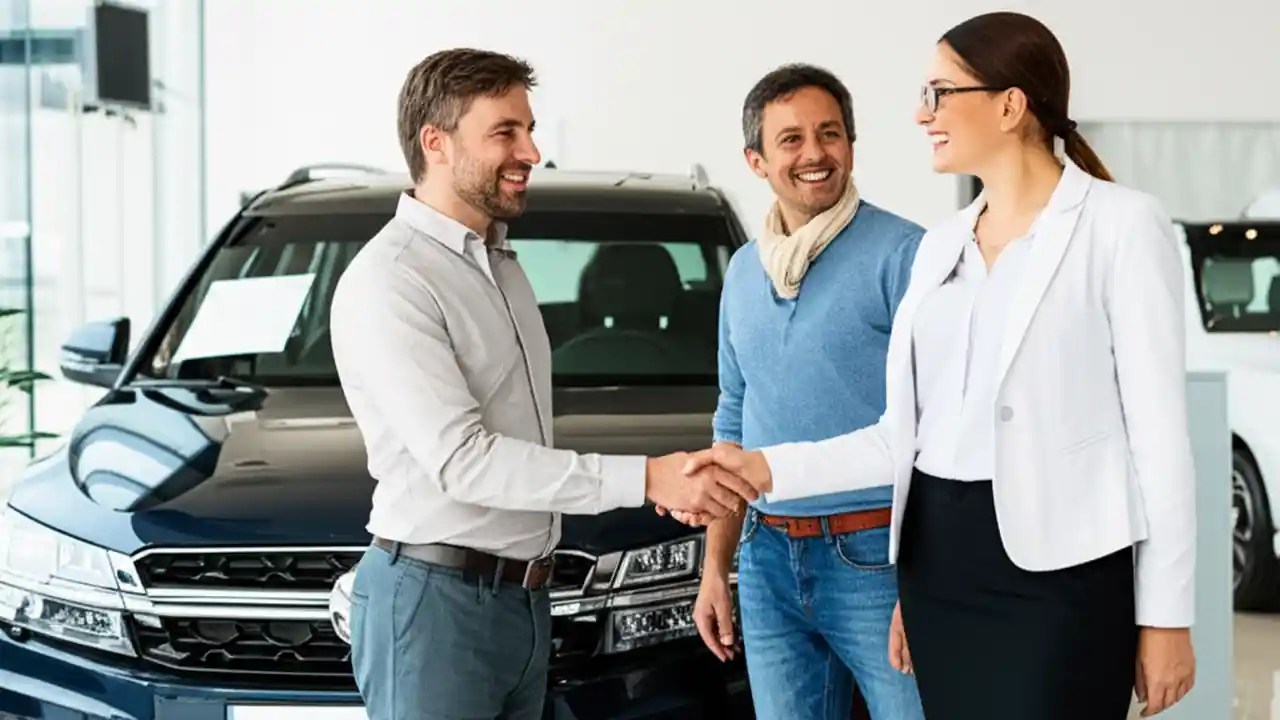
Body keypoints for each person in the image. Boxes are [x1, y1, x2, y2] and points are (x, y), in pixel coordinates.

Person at [681, 12, 1197, 720]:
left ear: (1009, 105)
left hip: (1065, 576)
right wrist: (763, 468)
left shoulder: (1121, 225)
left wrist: (1167, 615)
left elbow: (1160, 438)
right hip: (940, 569)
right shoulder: (942, 246)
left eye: (939, 94)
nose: (922, 115)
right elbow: (901, 436)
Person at [329, 48, 756, 720]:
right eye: (506, 132)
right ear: (435, 143)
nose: (531, 151)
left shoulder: (500, 264)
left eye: (528, 129)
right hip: (438, 606)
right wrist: (650, 478)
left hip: (521, 602)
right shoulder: (394, 278)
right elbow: (463, 461)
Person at [678, 64, 926, 720]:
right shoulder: (743, 272)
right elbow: (734, 417)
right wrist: (716, 568)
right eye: (791, 139)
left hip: (877, 558)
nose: (814, 153)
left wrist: (926, 584)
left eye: (830, 133)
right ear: (756, 160)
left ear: (851, 145)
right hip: (766, 560)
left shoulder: (906, 255)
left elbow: (939, 432)